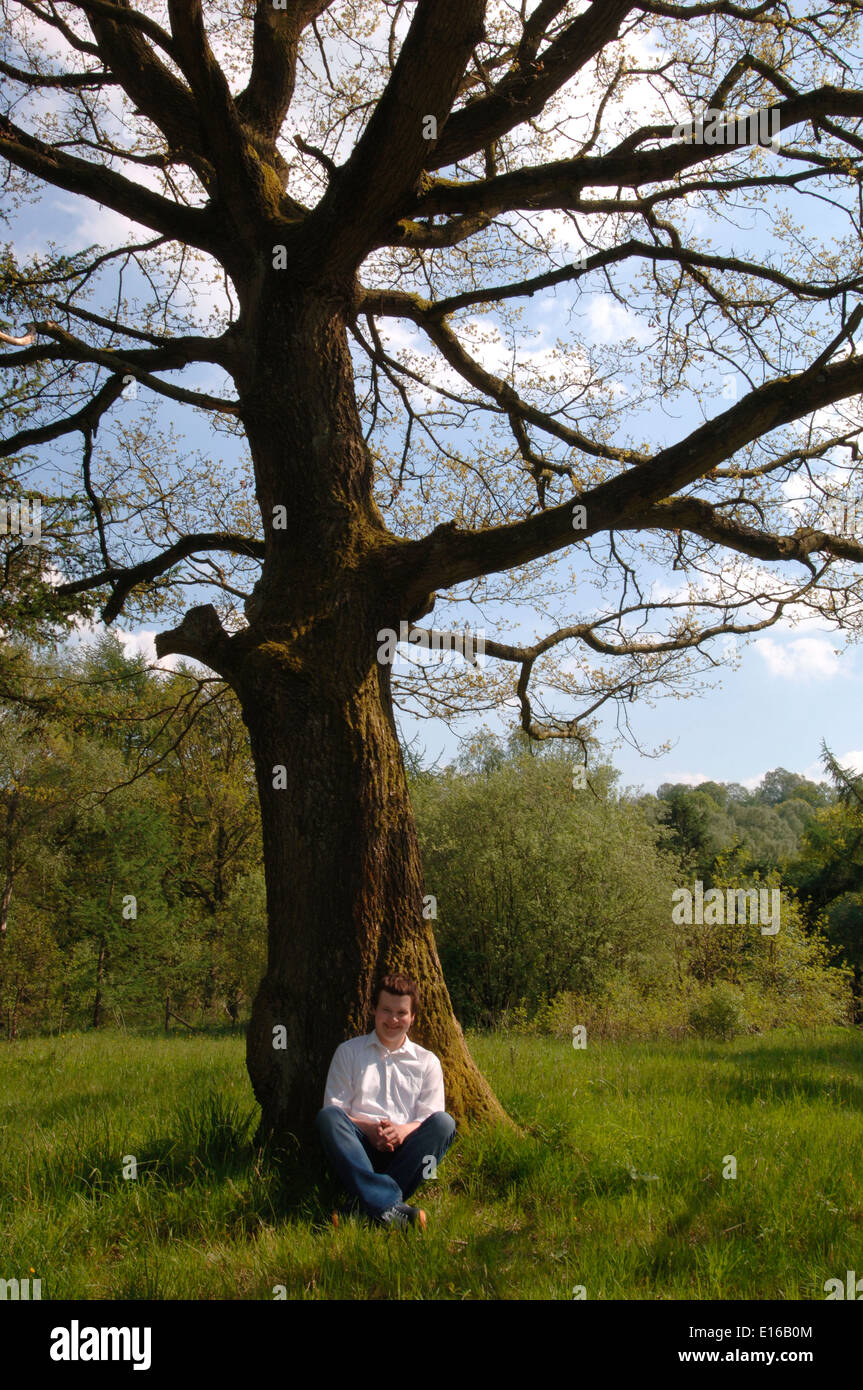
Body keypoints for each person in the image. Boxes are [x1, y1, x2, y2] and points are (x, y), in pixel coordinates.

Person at [316, 973, 457, 1229]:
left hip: (406, 1154)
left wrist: (402, 1131)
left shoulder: (427, 1062)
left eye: (401, 1013)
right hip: (358, 1151)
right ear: (373, 1010)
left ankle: (362, 1210)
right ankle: (393, 1210)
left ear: (412, 1017)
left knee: (444, 1124)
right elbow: (335, 1109)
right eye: (386, 1011)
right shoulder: (348, 1052)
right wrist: (369, 1129)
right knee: (328, 1118)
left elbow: (430, 1116)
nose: (393, 1020)